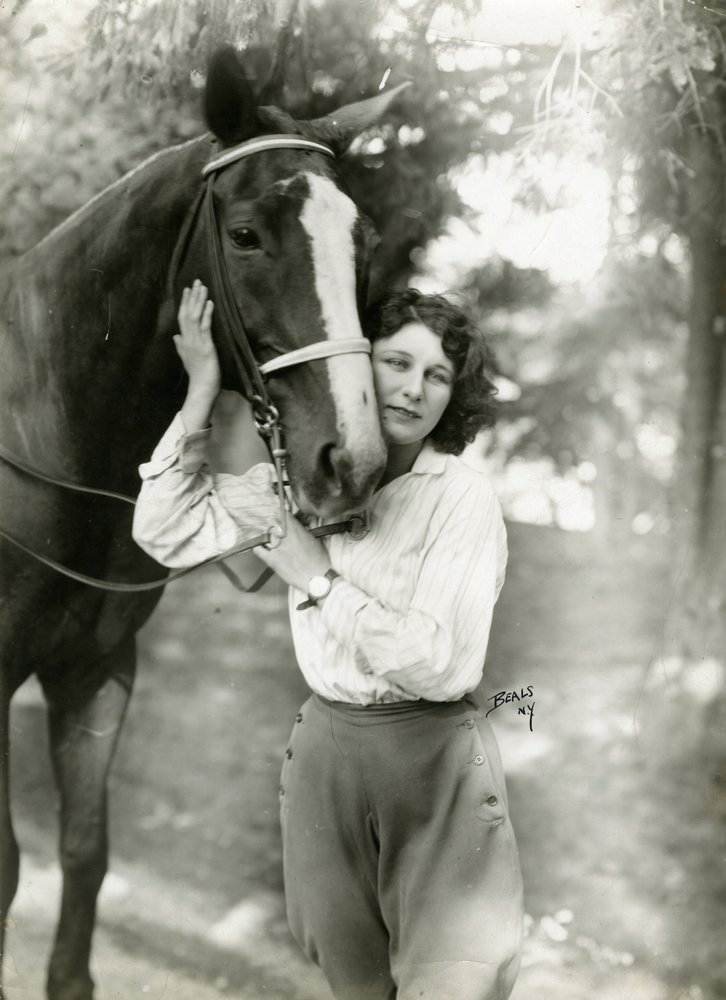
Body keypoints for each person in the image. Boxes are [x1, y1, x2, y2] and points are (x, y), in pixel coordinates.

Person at [132, 280, 524, 1000]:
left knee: (455, 980)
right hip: (324, 754)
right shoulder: (307, 478)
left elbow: (439, 664)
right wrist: (201, 391)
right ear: (358, 366)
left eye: (437, 376)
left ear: (453, 396)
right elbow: (166, 530)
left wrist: (317, 580)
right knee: (355, 984)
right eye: (397, 363)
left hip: (432, 763)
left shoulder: (460, 497)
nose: (413, 389)